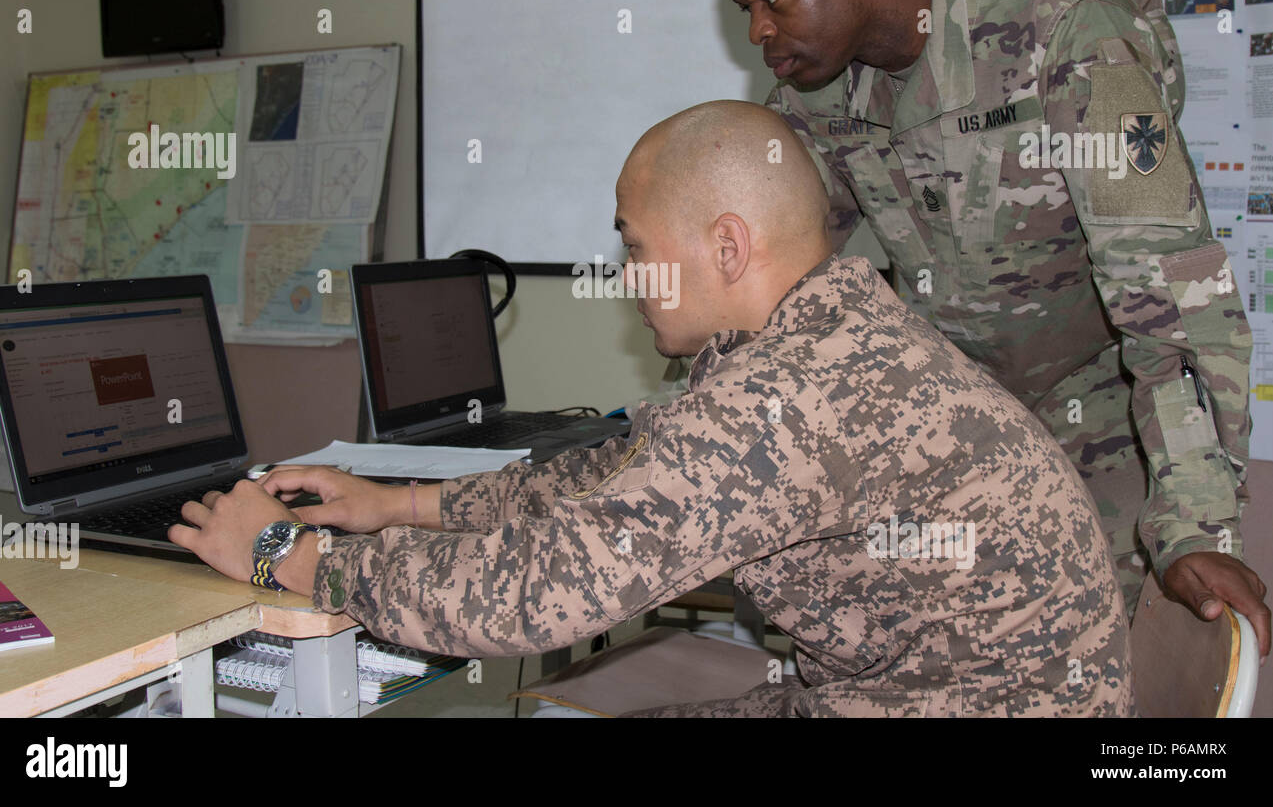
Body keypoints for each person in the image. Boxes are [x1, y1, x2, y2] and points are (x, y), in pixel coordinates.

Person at [172, 100, 1131, 716]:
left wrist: (287, 556)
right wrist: (399, 504)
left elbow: (533, 593)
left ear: (724, 245)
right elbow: (617, 481)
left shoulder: (782, 399)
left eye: (634, 247)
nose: (624, 275)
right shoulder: (823, 335)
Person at [718, 0, 1269, 651]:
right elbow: (774, 278)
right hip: (962, 409)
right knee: (889, 643)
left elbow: (1170, 288)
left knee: (1077, 653)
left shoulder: (1068, 29)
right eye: (745, 9)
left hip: (1102, 395)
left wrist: (1195, 522)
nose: (758, 31)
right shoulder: (818, 86)